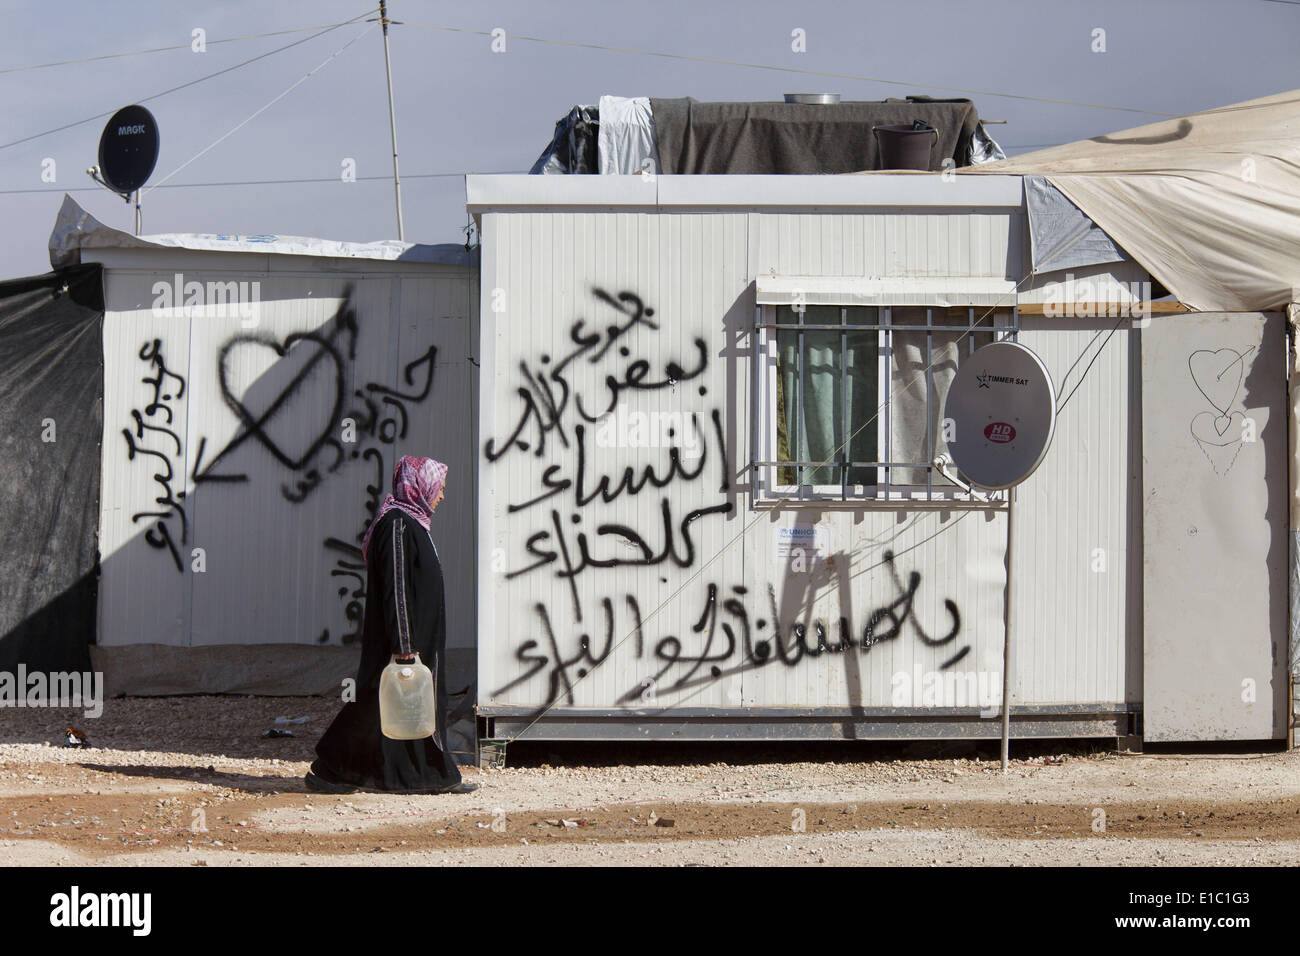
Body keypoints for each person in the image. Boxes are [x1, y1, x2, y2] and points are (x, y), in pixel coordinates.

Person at [306, 456, 477, 795]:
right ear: (420, 487)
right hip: (403, 639)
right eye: (439, 488)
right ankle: (333, 768)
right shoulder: (397, 525)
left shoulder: (413, 523)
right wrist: (403, 644)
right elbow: (396, 585)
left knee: (408, 705)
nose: (442, 495)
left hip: (419, 635)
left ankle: (422, 775)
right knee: (379, 702)